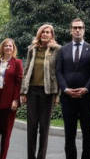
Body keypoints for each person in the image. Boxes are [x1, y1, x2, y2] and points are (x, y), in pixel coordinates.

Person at [56, 18, 90, 159]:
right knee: (69, 135)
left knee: (88, 135)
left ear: (84, 30)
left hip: (86, 98)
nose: (77, 30)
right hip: (68, 99)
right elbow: (58, 72)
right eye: (75, 28)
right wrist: (65, 89)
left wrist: (86, 88)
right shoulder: (63, 50)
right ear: (71, 30)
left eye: (80, 27)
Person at [21, 24, 61, 159]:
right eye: (43, 32)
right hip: (32, 91)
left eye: (48, 32)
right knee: (31, 127)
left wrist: (57, 94)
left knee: (44, 128)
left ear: (52, 35)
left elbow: (58, 72)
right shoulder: (32, 49)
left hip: (48, 92)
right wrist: (23, 92)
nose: (45, 34)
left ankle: (41, 157)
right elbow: (27, 69)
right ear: (39, 34)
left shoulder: (57, 50)